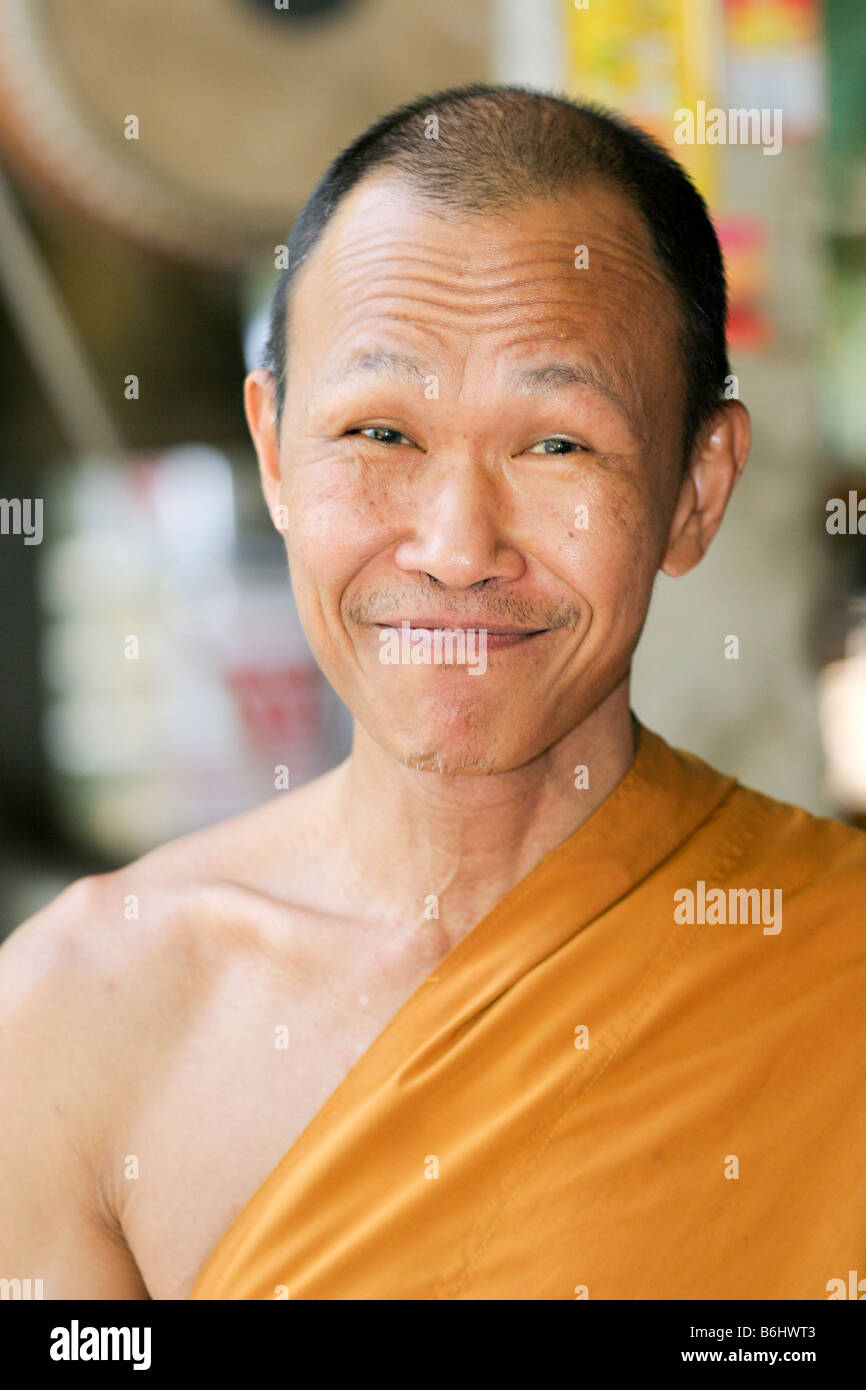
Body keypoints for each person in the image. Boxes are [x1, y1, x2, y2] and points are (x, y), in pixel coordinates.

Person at [1, 84, 863, 1302]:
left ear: (694, 489)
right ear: (274, 451)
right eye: (378, 434)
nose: (457, 546)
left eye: (554, 443)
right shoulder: (77, 1018)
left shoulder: (835, 968)